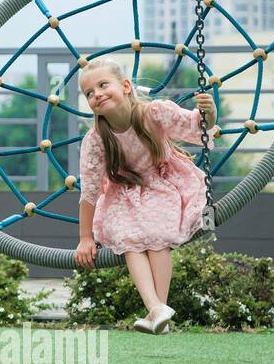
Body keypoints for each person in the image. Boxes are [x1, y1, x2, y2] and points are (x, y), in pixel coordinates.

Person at [72, 57, 217, 334]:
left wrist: (209, 114)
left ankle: (158, 308)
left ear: (126, 86)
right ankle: (156, 309)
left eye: (103, 85)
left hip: (164, 183)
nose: (96, 94)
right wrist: (85, 238)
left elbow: (195, 127)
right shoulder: (96, 139)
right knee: (129, 238)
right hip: (123, 194)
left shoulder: (155, 113)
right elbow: (89, 192)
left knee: (157, 232)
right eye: (89, 93)